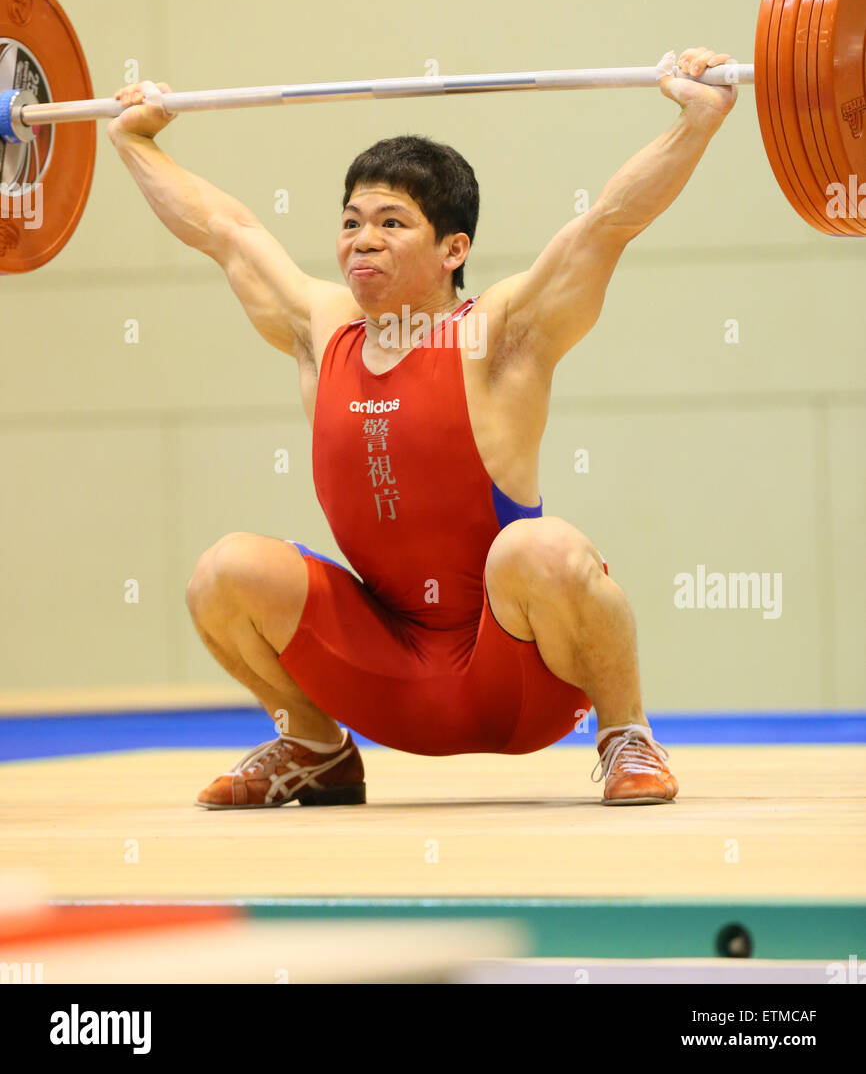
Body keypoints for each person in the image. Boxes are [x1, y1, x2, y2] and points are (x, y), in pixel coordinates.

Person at [108, 48, 736, 808]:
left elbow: (608, 223)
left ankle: (625, 737)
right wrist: (134, 142)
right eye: (351, 221)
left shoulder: (500, 335)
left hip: (523, 680)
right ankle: (316, 748)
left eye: (391, 222)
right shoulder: (322, 327)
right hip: (389, 679)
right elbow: (226, 231)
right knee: (224, 572)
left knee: (540, 547)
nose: (361, 239)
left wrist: (696, 122)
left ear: (453, 249)